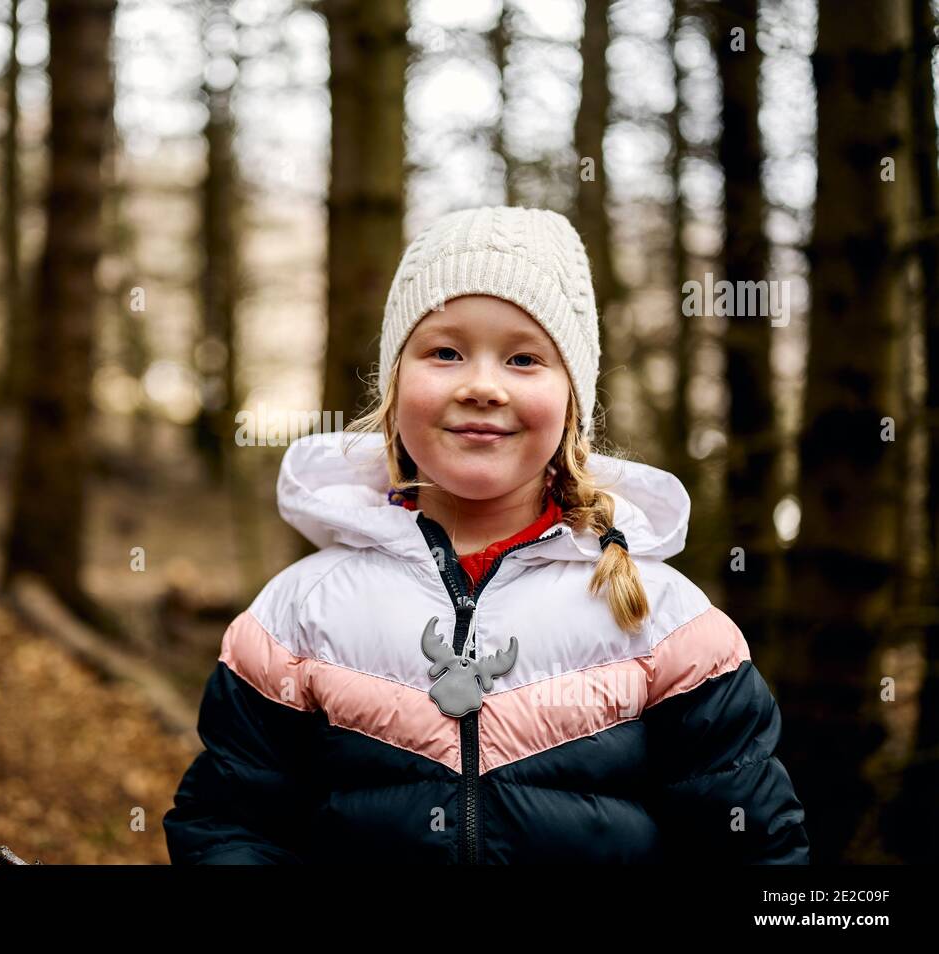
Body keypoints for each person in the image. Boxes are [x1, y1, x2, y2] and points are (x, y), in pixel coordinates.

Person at [162, 205, 810, 864]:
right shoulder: (297, 615)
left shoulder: (668, 624)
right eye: (445, 352)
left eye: (524, 359)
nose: (481, 386)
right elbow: (228, 825)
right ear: (394, 386)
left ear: (571, 405)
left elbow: (756, 848)